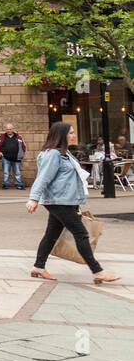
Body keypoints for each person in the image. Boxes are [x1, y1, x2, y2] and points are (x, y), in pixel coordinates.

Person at [28, 122, 120, 285]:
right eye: (70, 133)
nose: (73, 135)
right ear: (61, 135)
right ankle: (98, 271)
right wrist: (33, 198)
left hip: (64, 200)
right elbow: (43, 177)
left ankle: (38, 267)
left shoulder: (64, 153)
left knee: (51, 235)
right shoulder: (53, 155)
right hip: (58, 201)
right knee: (81, 234)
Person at [0, 124, 27, 190]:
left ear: (13, 129)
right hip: (5, 158)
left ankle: (19, 185)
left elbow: (24, 146)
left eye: (10, 129)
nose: (8, 130)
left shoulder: (19, 137)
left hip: (16, 158)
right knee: (6, 172)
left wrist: (22, 154)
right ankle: (6, 185)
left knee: (17, 172)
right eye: (7, 129)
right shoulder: (1, 137)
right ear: (5, 129)